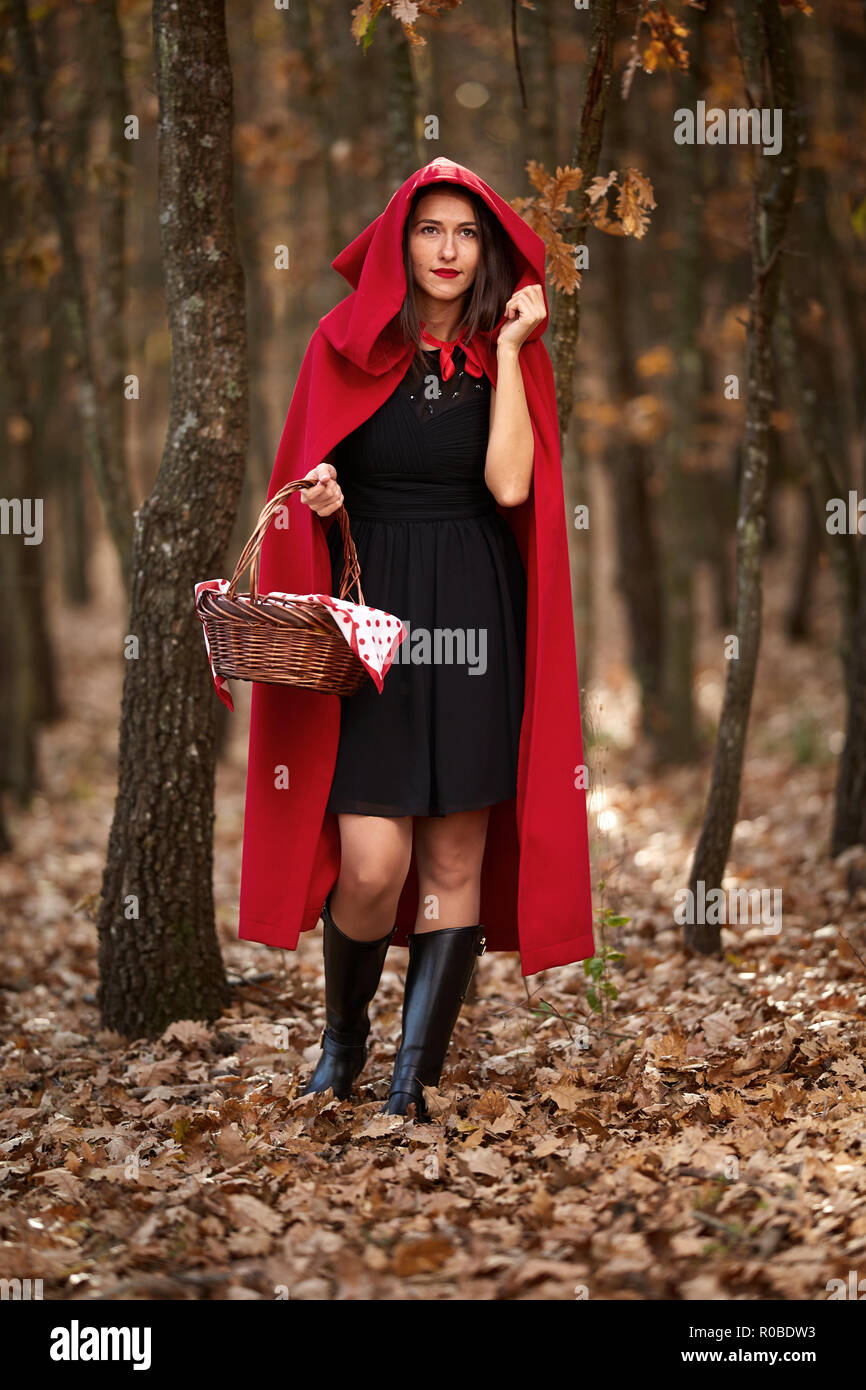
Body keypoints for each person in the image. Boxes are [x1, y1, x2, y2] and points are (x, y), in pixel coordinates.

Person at [238, 158, 594, 1123]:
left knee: (452, 859)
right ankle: (344, 1039)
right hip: (374, 613)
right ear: (401, 244)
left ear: (486, 252)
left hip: (477, 610)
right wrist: (323, 502)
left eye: (467, 233)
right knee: (370, 863)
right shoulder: (341, 344)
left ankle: (412, 1079)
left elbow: (513, 488)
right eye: (430, 230)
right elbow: (305, 478)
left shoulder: (498, 356)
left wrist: (515, 352)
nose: (448, 249)